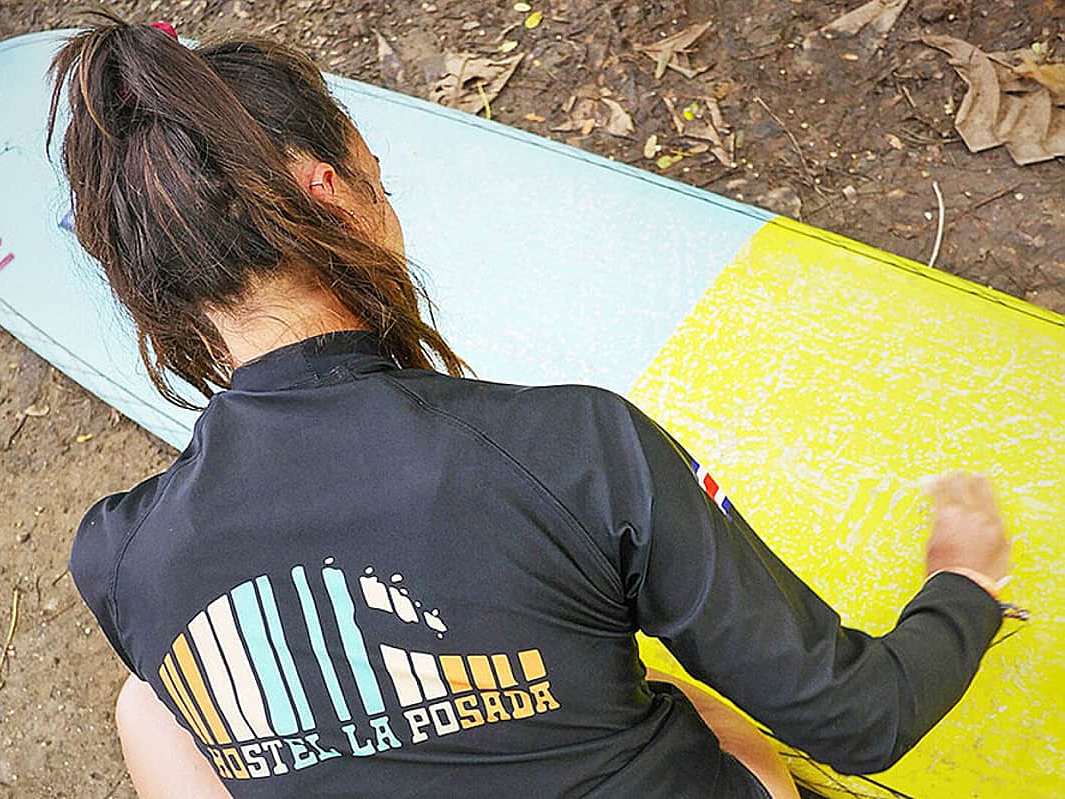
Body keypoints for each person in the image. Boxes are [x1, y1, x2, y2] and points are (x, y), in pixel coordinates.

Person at [50, 16, 1011, 799]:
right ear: (328, 193)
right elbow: (859, 717)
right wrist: (961, 588)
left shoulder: (123, 556)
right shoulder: (573, 448)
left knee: (152, 702)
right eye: (378, 182)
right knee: (710, 718)